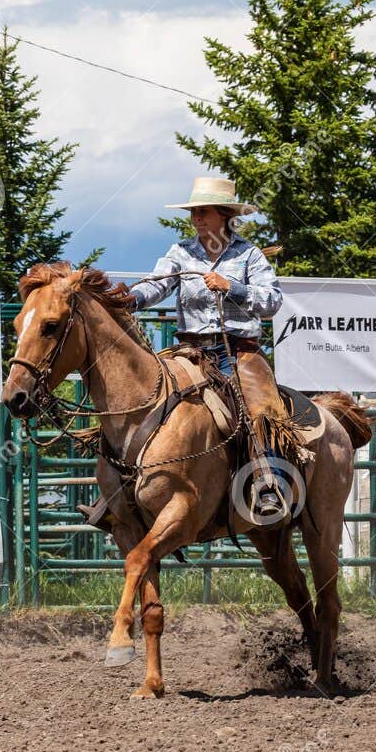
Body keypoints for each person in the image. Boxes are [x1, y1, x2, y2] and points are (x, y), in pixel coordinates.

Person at [126, 177, 294, 520]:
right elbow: (157, 286)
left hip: (238, 351)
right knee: (146, 396)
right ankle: (123, 486)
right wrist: (130, 298)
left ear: (223, 215)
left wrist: (232, 287)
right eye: (194, 212)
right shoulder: (181, 253)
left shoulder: (249, 255)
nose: (196, 218)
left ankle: (268, 485)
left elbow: (273, 301)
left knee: (259, 409)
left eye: (203, 212)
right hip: (189, 351)